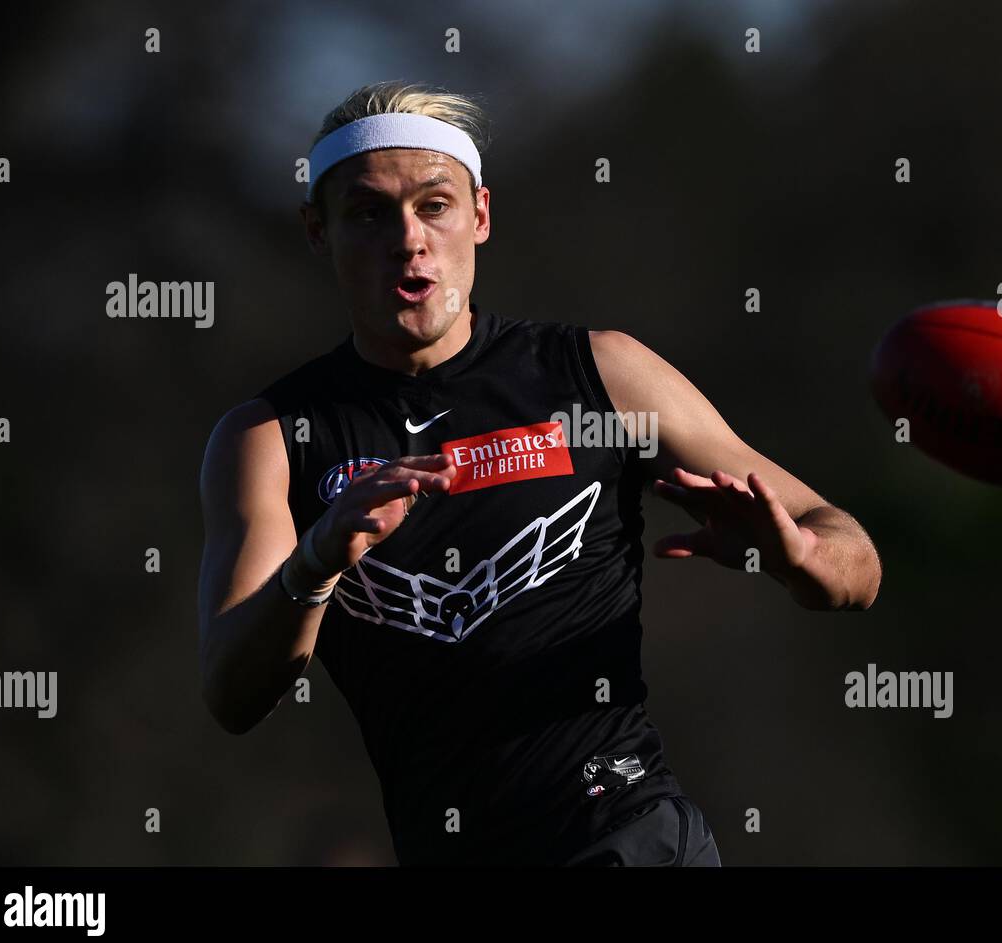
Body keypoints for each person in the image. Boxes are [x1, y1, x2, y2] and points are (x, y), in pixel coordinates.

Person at [197, 81, 882, 866]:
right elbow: (232, 694)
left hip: (625, 835)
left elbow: (856, 561)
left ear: (480, 216)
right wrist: (315, 562)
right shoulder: (272, 437)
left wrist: (794, 554)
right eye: (369, 213)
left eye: (435, 206)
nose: (409, 240)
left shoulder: (600, 373)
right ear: (318, 231)